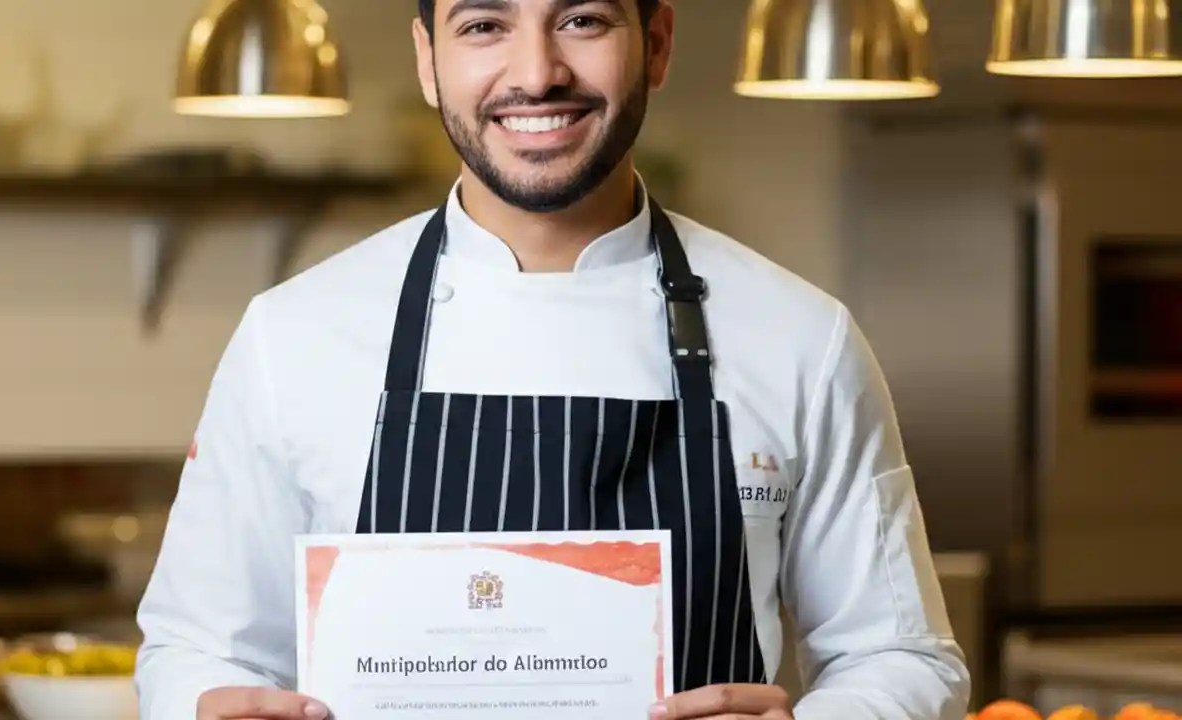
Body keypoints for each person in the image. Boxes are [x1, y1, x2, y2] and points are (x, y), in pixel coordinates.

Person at [134, 0, 971, 718]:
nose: (537, 74)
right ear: (428, 59)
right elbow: (195, 651)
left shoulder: (800, 338)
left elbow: (903, 658)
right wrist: (206, 703)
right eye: (484, 25)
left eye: (582, 20)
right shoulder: (293, 336)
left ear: (658, 43)